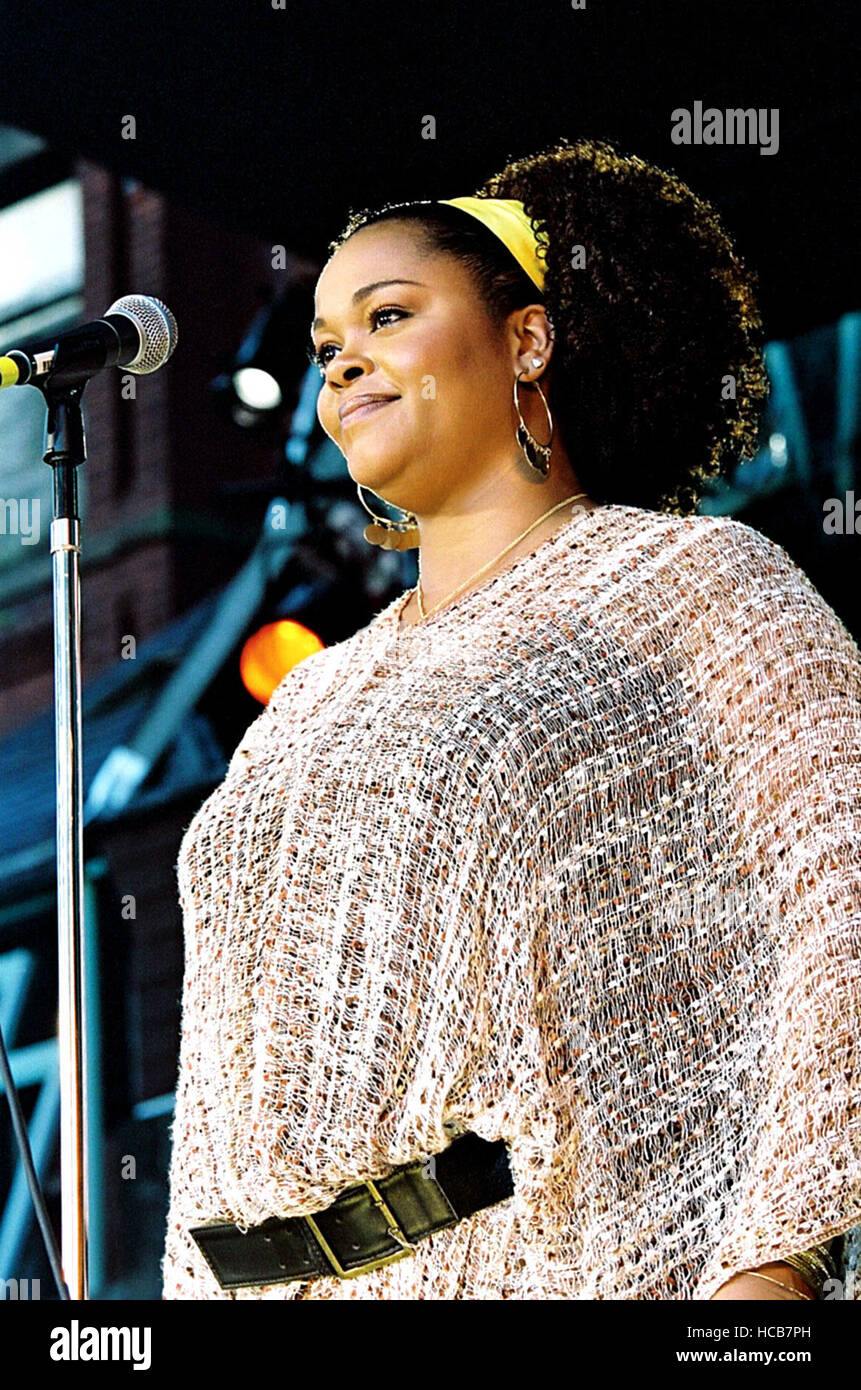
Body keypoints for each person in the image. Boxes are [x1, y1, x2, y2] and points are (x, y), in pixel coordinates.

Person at [161, 138, 860, 1300]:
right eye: (328, 345)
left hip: (536, 1261)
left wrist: (775, 1265)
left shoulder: (694, 582)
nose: (343, 366)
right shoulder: (314, 691)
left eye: (387, 316)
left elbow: (839, 909)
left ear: (527, 339)